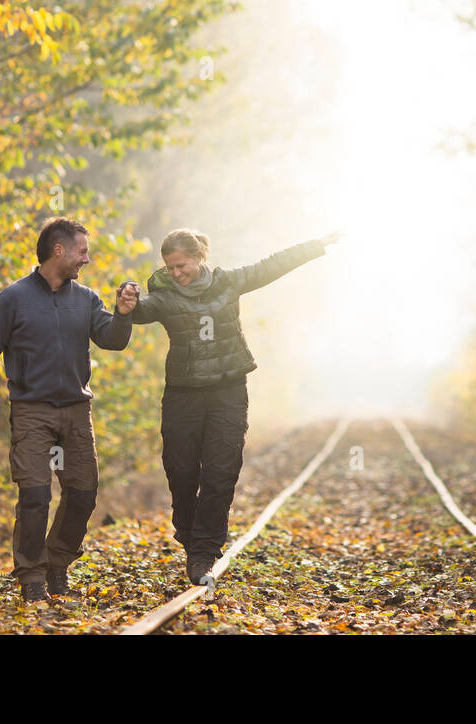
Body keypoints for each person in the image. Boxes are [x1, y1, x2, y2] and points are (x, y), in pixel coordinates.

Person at [131, 227, 344, 584]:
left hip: (228, 392)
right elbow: (141, 310)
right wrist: (128, 304)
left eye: (181, 265)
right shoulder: (165, 295)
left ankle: (203, 553)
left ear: (199, 258)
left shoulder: (228, 282)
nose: (176, 273)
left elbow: (271, 265)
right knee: (181, 471)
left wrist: (314, 246)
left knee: (220, 471)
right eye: (170, 267)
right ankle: (188, 531)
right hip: (183, 394)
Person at [0, 217, 141, 602]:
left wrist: (124, 313)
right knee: (34, 496)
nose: (87, 259)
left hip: (77, 410)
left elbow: (112, 339)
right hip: (32, 411)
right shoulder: (12, 298)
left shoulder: (86, 298)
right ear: (58, 250)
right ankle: (31, 578)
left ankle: (57, 562)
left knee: (83, 493)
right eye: (82, 251)